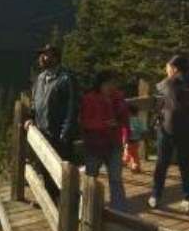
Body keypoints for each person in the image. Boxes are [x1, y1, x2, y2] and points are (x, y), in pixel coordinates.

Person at [80, 71, 129, 211]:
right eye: (108, 83)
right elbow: (85, 122)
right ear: (100, 84)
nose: (112, 86)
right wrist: (105, 124)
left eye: (113, 83)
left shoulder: (118, 98)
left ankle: (120, 211)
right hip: (95, 145)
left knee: (116, 179)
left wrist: (126, 137)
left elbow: (125, 120)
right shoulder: (89, 99)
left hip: (114, 144)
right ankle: (86, 209)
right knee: (91, 178)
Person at [149, 55, 189, 212]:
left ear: (174, 68)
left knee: (162, 164)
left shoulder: (169, 83)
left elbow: (159, 88)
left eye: (167, 67)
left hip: (167, 129)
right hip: (186, 129)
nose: (166, 70)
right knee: (186, 164)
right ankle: (187, 197)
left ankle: (155, 195)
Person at [25, 44, 79, 163]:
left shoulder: (66, 78)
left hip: (59, 137)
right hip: (42, 135)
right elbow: (35, 101)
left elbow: (72, 108)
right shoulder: (40, 78)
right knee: (45, 173)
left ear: (55, 58)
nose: (41, 58)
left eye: (45, 55)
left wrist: (64, 135)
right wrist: (31, 117)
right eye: (41, 55)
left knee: (61, 174)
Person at [122, 103, 146, 173]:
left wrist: (124, 140)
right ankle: (135, 167)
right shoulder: (139, 120)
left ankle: (122, 163)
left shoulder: (127, 120)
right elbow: (143, 130)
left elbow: (126, 131)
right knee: (135, 155)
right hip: (136, 141)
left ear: (129, 112)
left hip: (129, 141)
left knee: (127, 154)